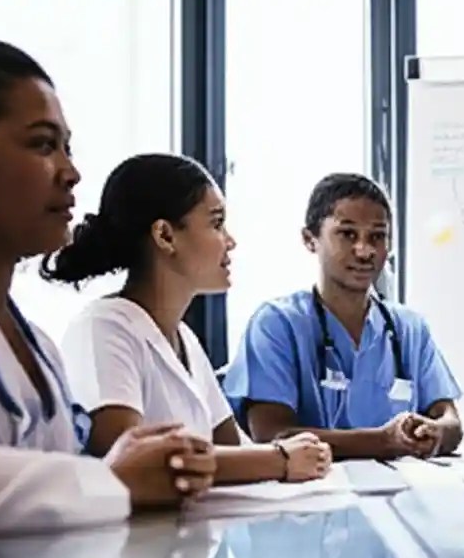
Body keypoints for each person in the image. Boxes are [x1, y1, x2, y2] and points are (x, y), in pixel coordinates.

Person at [0, 37, 214, 534]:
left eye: (67, 148)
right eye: (42, 144)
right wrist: (110, 484)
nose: (71, 174)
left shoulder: (40, 351)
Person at [45, 153, 331, 484]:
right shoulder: (103, 328)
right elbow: (132, 464)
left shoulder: (183, 339)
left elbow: (236, 447)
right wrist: (279, 458)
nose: (230, 241)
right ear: (165, 236)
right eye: (216, 223)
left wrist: (297, 453)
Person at [223, 173, 462, 460]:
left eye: (377, 236)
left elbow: (449, 419)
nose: (365, 251)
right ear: (310, 240)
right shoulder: (277, 324)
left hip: (400, 492)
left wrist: (437, 433)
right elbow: (272, 433)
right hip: (310, 493)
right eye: (348, 234)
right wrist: (383, 442)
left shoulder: (409, 328)